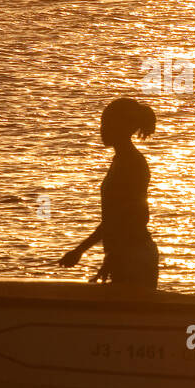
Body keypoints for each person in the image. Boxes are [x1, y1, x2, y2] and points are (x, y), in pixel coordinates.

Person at [59, 98, 159, 293]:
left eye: (107, 125)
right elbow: (114, 220)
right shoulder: (120, 160)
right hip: (125, 253)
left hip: (135, 256)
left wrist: (81, 251)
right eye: (101, 124)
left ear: (123, 127)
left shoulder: (132, 164)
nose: (101, 130)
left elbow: (127, 218)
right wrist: (112, 256)